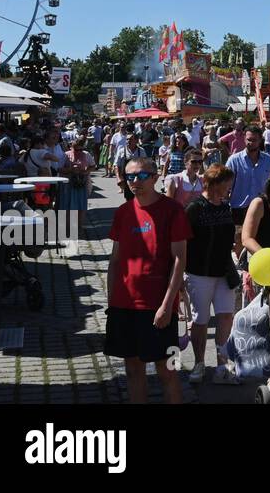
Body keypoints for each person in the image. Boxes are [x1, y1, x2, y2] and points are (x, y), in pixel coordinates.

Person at [105, 158, 190, 404]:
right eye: (129, 176)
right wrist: (112, 302)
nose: (135, 181)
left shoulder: (173, 210)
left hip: (157, 306)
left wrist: (167, 304)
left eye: (141, 176)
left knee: (167, 371)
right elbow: (115, 261)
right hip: (124, 304)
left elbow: (179, 261)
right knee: (132, 368)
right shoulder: (123, 212)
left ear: (155, 177)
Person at [183, 163, 239, 385]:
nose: (230, 189)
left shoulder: (225, 207)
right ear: (215, 184)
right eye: (227, 184)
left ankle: (222, 365)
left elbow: (229, 237)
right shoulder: (195, 208)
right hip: (200, 272)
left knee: (226, 316)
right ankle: (198, 363)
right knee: (201, 319)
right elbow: (183, 241)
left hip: (224, 272)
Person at [226, 126, 270, 227]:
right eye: (248, 140)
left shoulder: (269, 161)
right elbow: (225, 185)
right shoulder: (234, 160)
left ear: (260, 140)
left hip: (262, 209)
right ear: (244, 139)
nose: (251, 143)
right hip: (239, 209)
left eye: (254, 140)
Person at [113, 132, 148, 201]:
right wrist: (118, 178)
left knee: (139, 197)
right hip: (127, 178)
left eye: (130, 139)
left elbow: (146, 165)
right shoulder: (121, 151)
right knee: (128, 198)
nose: (128, 141)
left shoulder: (141, 151)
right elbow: (116, 165)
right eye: (127, 139)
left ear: (136, 141)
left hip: (139, 178)